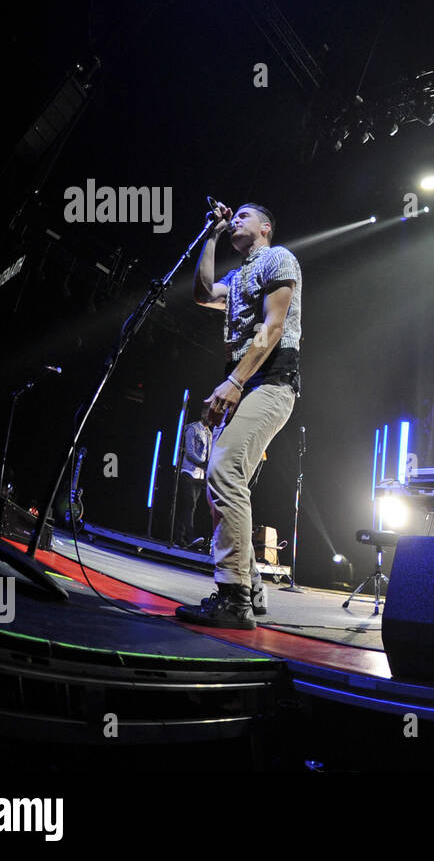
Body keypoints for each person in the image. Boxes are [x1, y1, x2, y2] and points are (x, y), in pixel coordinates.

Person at [175, 201, 302, 629]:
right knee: (222, 484)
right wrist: (211, 234)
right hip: (246, 384)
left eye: (244, 216)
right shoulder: (237, 275)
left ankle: (234, 600)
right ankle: (252, 590)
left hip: (271, 381)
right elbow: (202, 292)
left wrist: (233, 383)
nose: (237, 221)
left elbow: (274, 326)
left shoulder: (277, 258)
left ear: (265, 227)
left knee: (224, 469)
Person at [173, 418, 212, 550]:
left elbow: (208, 454)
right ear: (204, 413)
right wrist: (203, 464)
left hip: (200, 475)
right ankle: (190, 537)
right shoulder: (193, 428)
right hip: (188, 471)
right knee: (190, 504)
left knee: (189, 507)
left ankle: (179, 538)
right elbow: (190, 453)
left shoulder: (209, 433)